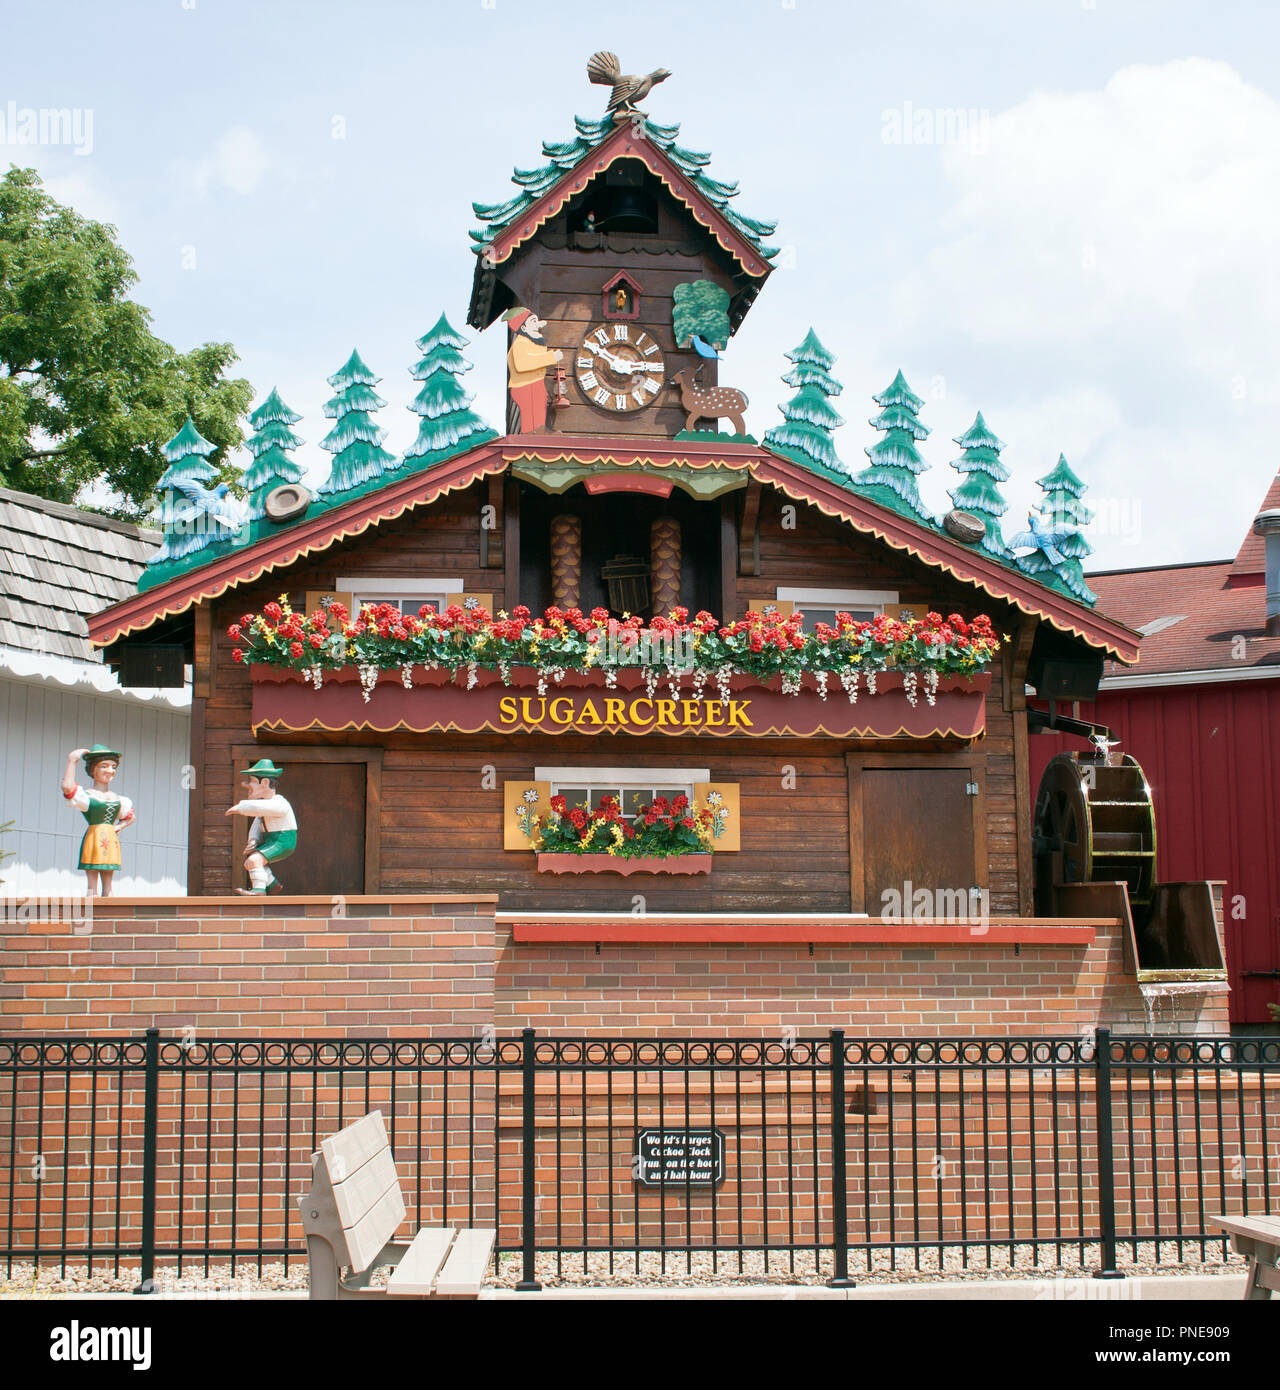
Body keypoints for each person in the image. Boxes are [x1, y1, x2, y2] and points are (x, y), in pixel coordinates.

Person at [61, 745, 135, 896]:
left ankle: (108, 894)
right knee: (93, 866)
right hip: (95, 835)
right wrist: (72, 761)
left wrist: (119, 826)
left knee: (108, 869)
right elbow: (68, 788)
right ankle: (92, 893)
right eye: (104, 766)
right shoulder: (87, 796)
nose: (110, 771)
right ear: (93, 769)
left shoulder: (119, 799)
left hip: (110, 837)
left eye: (113, 767)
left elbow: (130, 817)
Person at [224, 759, 297, 895]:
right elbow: (258, 822)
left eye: (251, 780)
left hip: (282, 841)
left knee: (254, 860)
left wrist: (241, 807)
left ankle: (259, 891)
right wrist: (253, 839)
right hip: (273, 840)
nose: (248, 784)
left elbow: (259, 808)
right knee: (249, 864)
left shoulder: (279, 803)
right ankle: (272, 884)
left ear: (264, 783)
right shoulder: (266, 805)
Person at [504, 307, 562, 432]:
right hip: (525, 385)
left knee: (540, 402)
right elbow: (523, 364)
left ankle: (540, 429)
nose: (537, 325)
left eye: (537, 321)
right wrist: (551, 357)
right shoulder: (521, 343)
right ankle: (532, 431)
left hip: (535, 382)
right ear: (524, 328)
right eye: (533, 322)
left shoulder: (533, 341)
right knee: (531, 406)